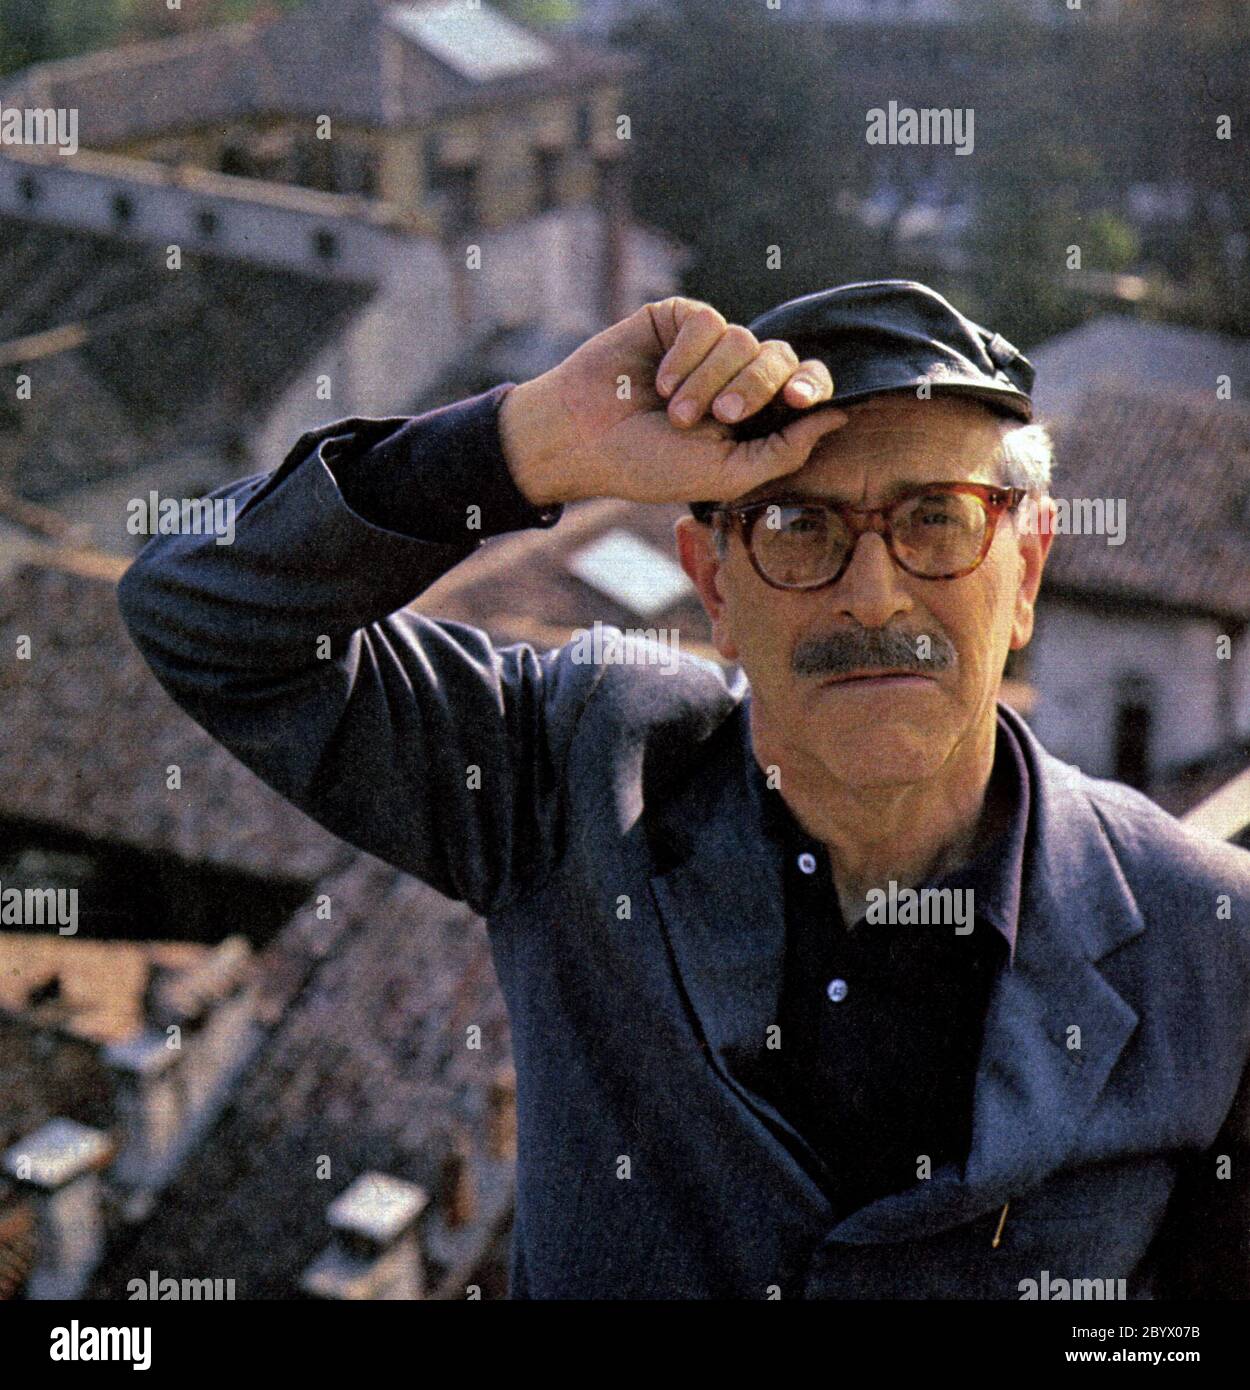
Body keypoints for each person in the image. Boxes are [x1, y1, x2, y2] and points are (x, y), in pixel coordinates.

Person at [118, 279, 1250, 1299]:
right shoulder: (577, 764)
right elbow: (199, 613)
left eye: (932, 521)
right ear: (710, 581)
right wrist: (523, 446)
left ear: (1026, 574)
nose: (870, 594)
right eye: (796, 524)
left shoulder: (1213, 939)